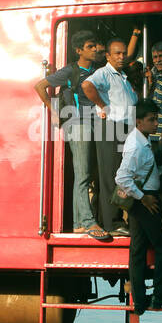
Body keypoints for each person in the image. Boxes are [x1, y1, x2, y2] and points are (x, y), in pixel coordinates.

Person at [32, 30, 108, 241]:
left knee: (88, 174)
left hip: (94, 122)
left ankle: (78, 224)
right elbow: (40, 86)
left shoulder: (97, 70)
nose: (95, 49)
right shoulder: (69, 71)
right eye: (90, 47)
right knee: (82, 173)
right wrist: (54, 109)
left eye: (95, 46)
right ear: (78, 50)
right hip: (77, 123)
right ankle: (87, 221)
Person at [116, 99, 162, 315]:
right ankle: (160, 297)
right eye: (151, 120)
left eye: (156, 119)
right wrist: (144, 197)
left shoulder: (141, 140)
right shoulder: (136, 145)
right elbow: (122, 177)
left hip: (140, 200)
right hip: (146, 201)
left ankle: (140, 302)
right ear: (139, 121)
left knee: (138, 251)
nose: (156, 123)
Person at [83, 38, 139, 236]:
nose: (122, 57)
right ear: (108, 55)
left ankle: (110, 219)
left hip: (123, 127)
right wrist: (102, 105)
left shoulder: (121, 75)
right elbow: (86, 85)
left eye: (124, 53)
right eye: (117, 53)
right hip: (110, 126)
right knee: (111, 175)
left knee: (118, 173)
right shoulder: (104, 73)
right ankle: (112, 223)